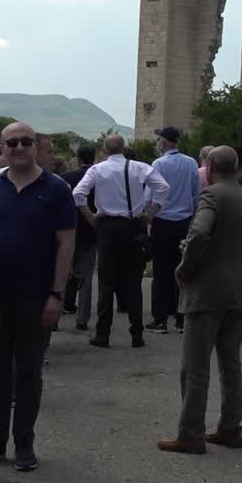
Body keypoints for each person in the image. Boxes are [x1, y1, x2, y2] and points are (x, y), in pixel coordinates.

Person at [0, 123, 75, 474]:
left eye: (26, 142)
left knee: (28, 373)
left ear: (36, 146)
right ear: (1, 148)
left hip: (36, 297)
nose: (20, 147)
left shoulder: (56, 189)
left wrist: (57, 295)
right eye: (13, 142)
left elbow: (66, 244)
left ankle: (24, 443)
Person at [157, 146, 242, 455]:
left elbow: (199, 233)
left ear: (209, 167)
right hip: (237, 291)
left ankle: (190, 434)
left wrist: (184, 268)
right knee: (230, 364)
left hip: (207, 292)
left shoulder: (211, 195)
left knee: (195, 367)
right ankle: (230, 428)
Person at [72, 133, 169, 349]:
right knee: (133, 282)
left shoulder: (97, 169)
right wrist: (150, 214)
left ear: (104, 150)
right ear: (124, 149)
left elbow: (78, 194)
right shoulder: (139, 167)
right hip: (132, 226)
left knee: (106, 282)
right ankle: (137, 334)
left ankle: (102, 334)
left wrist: (91, 217)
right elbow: (163, 188)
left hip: (106, 227)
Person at [148, 126, 201, 334]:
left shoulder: (158, 164)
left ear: (164, 141)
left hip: (162, 220)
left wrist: (147, 215)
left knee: (161, 271)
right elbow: (196, 193)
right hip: (184, 221)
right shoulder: (190, 163)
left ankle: (160, 319)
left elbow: (151, 193)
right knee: (182, 270)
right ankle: (181, 319)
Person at [60, 143, 98, 331]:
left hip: (68, 231)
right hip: (90, 232)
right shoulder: (99, 179)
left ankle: (55, 318)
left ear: (78, 158)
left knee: (61, 275)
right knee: (86, 278)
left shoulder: (66, 178)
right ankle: (82, 319)